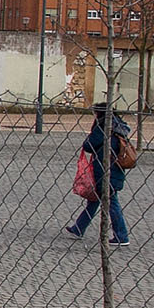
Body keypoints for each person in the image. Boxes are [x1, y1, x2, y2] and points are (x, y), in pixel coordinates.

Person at [66, 103, 135, 243]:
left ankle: (121, 236)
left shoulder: (103, 127)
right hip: (115, 170)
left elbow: (89, 145)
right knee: (95, 200)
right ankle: (79, 228)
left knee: (111, 202)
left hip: (103, 171)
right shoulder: (119, 127)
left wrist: (94, 131)